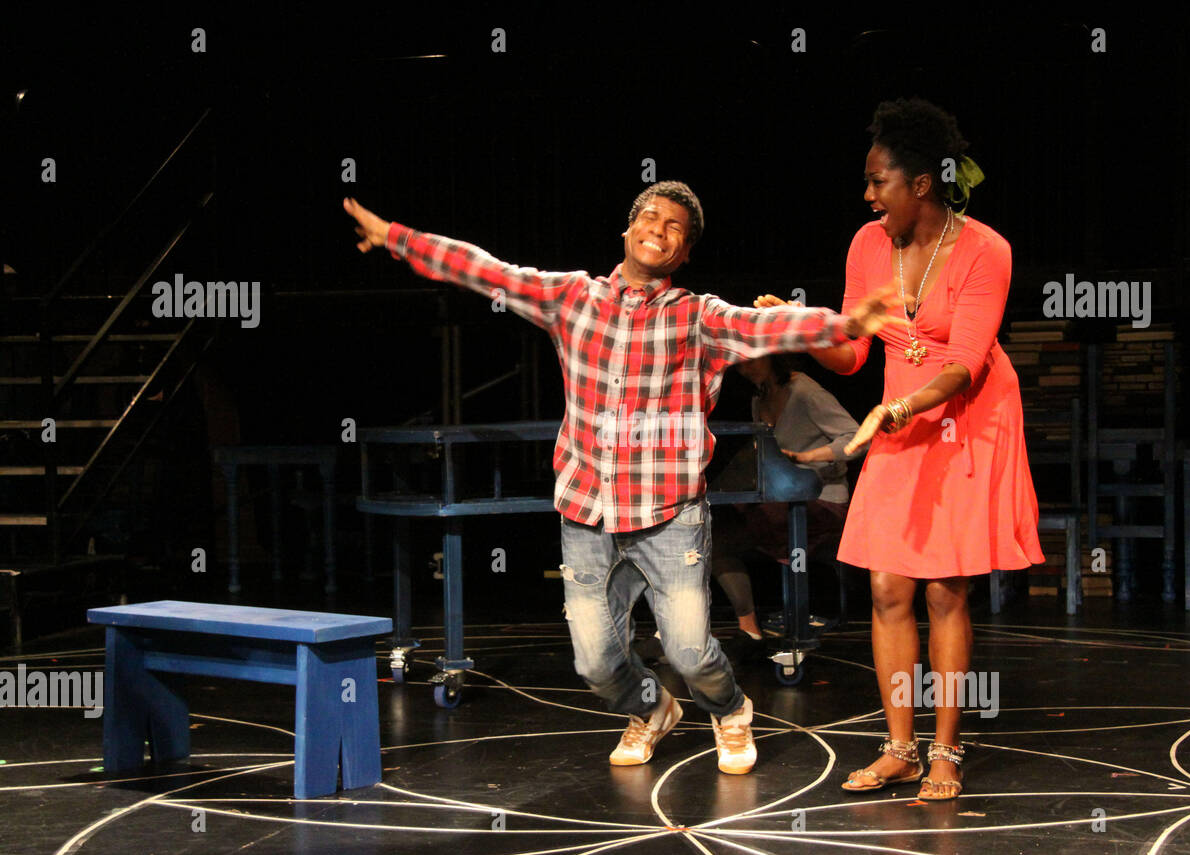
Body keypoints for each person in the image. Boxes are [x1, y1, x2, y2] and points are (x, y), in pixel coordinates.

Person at [343, 182, 901, 775]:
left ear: (685, 253)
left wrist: (845, 325)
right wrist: (396, 239)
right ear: (627, 231)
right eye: (650, 217)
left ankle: (730, 709)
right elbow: (489, 273)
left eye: (675, 227)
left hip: (670, 515)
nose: (659, 229)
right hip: (587, 511)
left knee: (688, 650)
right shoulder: (572, 298)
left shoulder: (698, 317)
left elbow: (769, 328)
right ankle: (652, 709)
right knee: (594, 663)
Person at [760, 99, 1043, 800]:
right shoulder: (867, 244)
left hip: (965, 416)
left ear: (920, 184)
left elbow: (968, 364)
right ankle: (900, 748)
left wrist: (904, 407)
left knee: (945, 586)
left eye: (877, 180)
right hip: (897, 413)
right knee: (887, 585)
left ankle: (945, 750)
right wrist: (798, 330)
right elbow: (855, 353)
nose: (866, 194)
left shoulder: (985, 249)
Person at [711, 353, 866, 653]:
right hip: (782, 501)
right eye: (741, 364)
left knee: (750, 524)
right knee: (715, 536)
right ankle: (750, 629)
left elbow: (857, 437)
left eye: (753, 360)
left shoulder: (805, 391)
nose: (746, 369)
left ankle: (797, 626)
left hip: (823, 502)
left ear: (774, 355)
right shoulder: (761, 397)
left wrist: (808, 458)